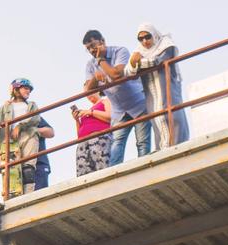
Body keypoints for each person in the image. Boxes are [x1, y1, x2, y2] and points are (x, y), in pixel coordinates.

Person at [82, 29, 150, 166]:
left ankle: (145, 168)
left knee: (142, 142)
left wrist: (101, 60)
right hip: (119, 111)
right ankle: (114, 174)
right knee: (117, 143)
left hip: (137, 103)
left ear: (102, 41)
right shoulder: (90, 65)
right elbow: (88, 89)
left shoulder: (120, 51)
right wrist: (96, 77)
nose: (91, 50)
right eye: (88, 48)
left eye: (93, 45)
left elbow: (117, 75)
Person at [125, 23, 189, 151]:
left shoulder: (165, 44)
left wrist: (136, 63)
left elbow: (158, 60)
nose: (145, 41)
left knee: (173, 116)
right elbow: (127, 72)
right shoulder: (139, 51)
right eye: (141, 38)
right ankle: (163, 149)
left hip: (168, 88)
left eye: (147, 37)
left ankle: (178, 146)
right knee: (157, 119)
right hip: (152, 92)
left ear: (153, 34)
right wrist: (133, 63)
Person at [0, 78, 41, 199]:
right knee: (10, 170)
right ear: (16, 89)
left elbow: (35, 118)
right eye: (25, 88)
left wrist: (20, 125)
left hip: (28, 136)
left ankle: (28, 196)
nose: (28, 91)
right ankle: (9, 198)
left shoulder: (31, 105)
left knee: (28, 167)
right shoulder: (6, 106)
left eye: (29, 89)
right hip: (10, 141)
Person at [72, 92, 112, 176]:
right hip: (83, 143)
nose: (88, 95)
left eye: (90, 92)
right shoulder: (87, 111)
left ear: (98, 91)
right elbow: (79, 136)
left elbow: (110, 117)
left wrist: (91, 112)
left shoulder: (105, 101)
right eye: (86, 94)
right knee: (83, 174)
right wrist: (77, 120)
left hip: (99, 138)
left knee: (102, 167)